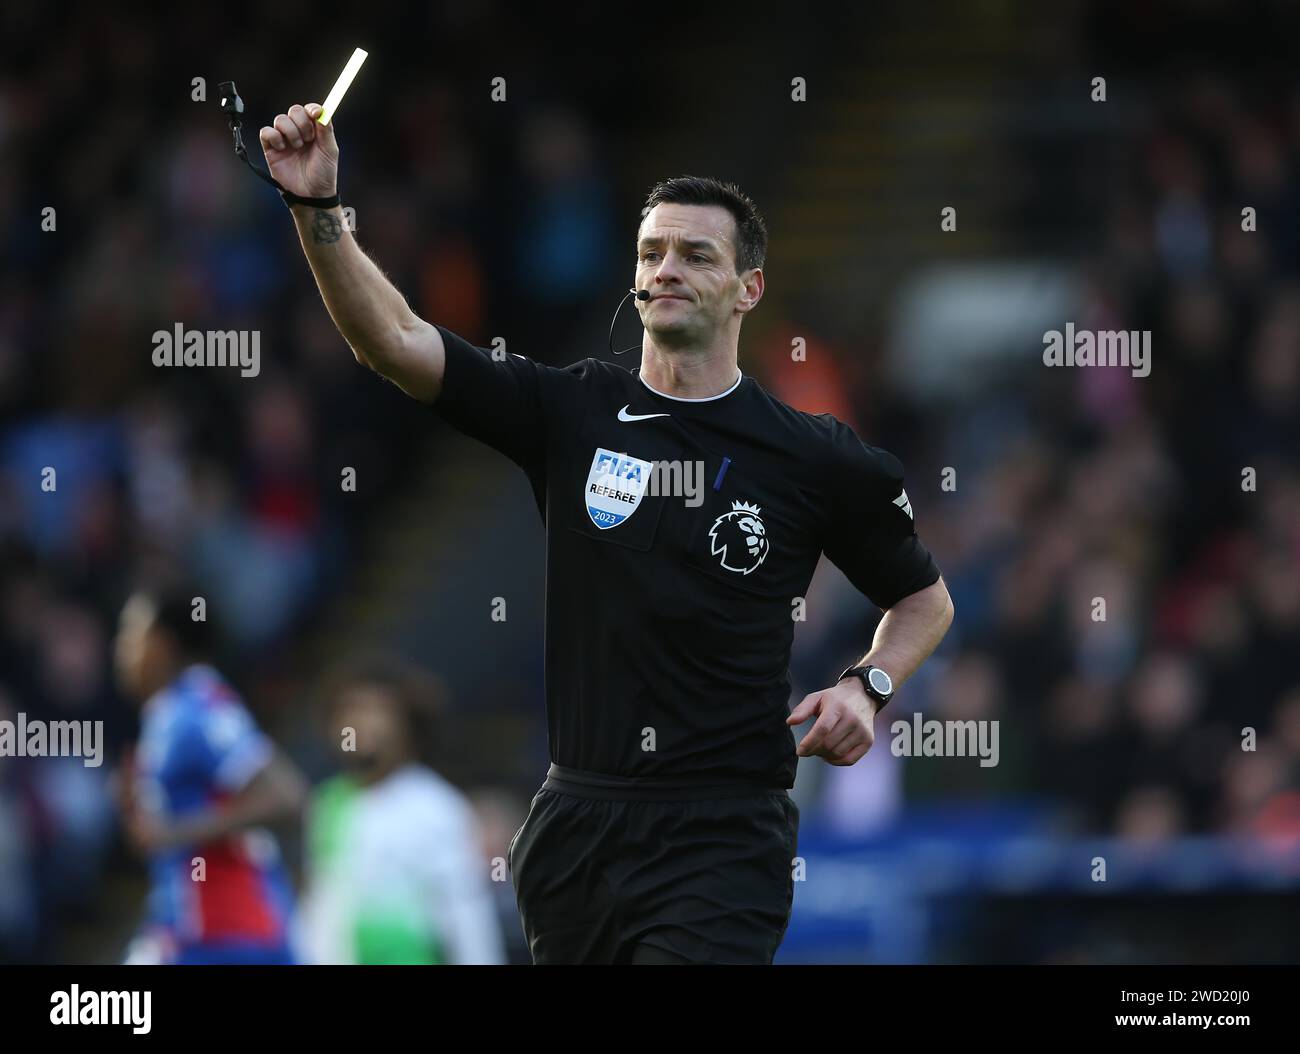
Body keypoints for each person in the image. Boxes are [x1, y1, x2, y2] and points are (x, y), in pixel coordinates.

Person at [259, 104, 954, 964]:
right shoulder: (571, 409)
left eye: (697, 255)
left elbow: (923, 597)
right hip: (576, 826)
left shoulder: (814, 456)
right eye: (652, 252)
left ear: (749, 288)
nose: (667, 269)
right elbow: (394, 341)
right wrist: (318, 209)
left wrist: (868, 684)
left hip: (723, 833)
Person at [114, 586, 306, 965]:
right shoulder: (166, 714)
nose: (120, 649)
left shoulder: (199, 707)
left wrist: (173, 832)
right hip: (192, 930)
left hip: (229, 930)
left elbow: (287, 797)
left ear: (163, 644)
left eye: (131, 634)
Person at [294, 659, 505, 964]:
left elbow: (466, 915)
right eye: (349, 710)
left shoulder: (436, 808)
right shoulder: (327, 804)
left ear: (409, 727)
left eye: (376, 711)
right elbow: (323, 906)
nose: (359, 723)